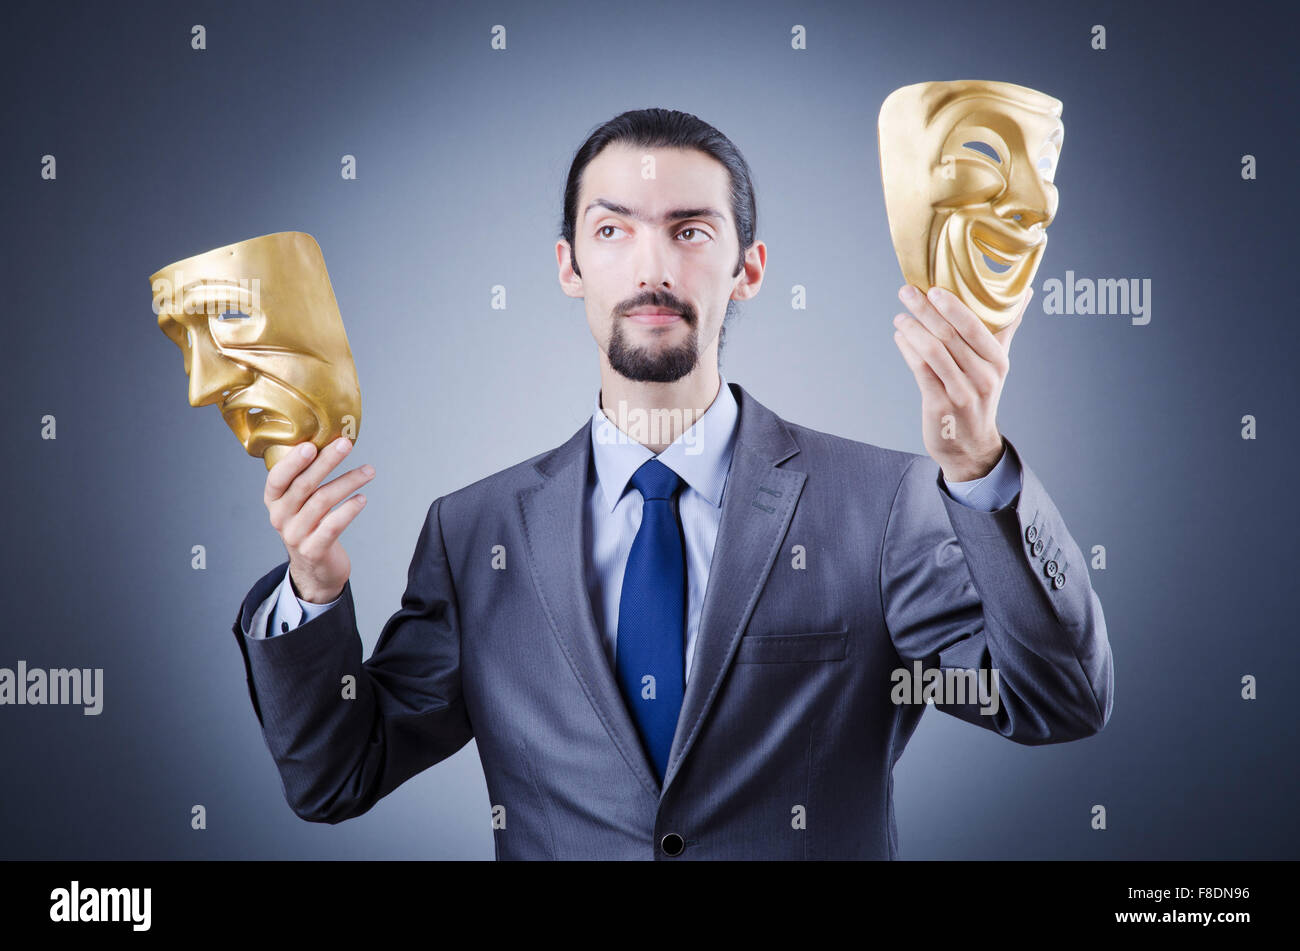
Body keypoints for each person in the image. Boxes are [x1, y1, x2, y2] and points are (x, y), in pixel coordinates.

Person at [231, 108, 1113, 860]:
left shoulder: (880, 504)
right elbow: (338, 775)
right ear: (569, 265)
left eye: (690, 231)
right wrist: (312, 594)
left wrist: (979, 470)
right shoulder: (475, 531)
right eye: (613, 230)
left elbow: (1057, 698)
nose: (652, 267)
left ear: (748, 269)